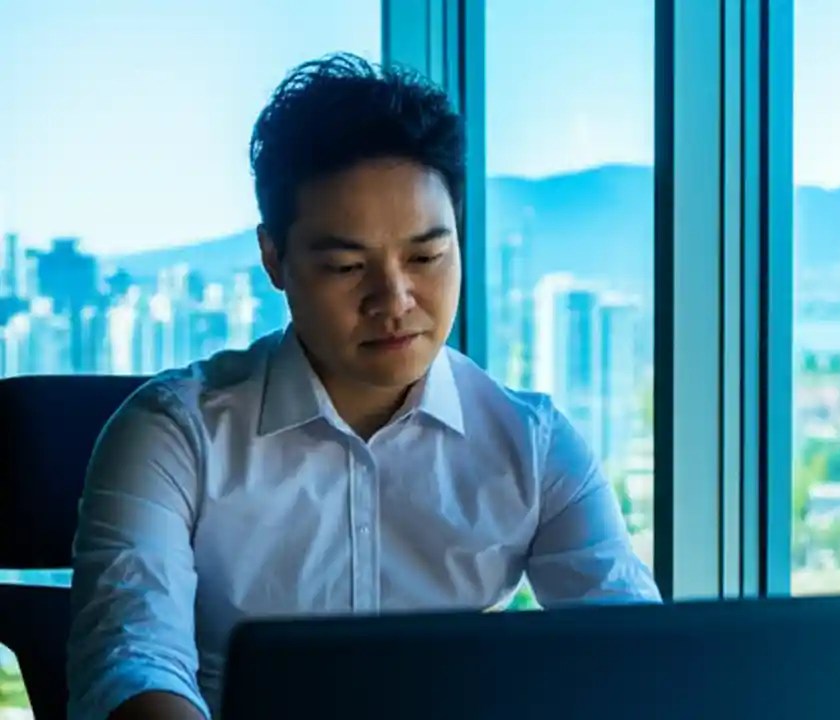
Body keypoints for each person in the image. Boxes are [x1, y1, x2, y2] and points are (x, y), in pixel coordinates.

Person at [67, 53, 660, 720]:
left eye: (427, 257)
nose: (395, 299)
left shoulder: (533, 445)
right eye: (348, 266)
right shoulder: (172, 434)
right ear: (274, 260)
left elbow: (634, 653)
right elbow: (131, 660)